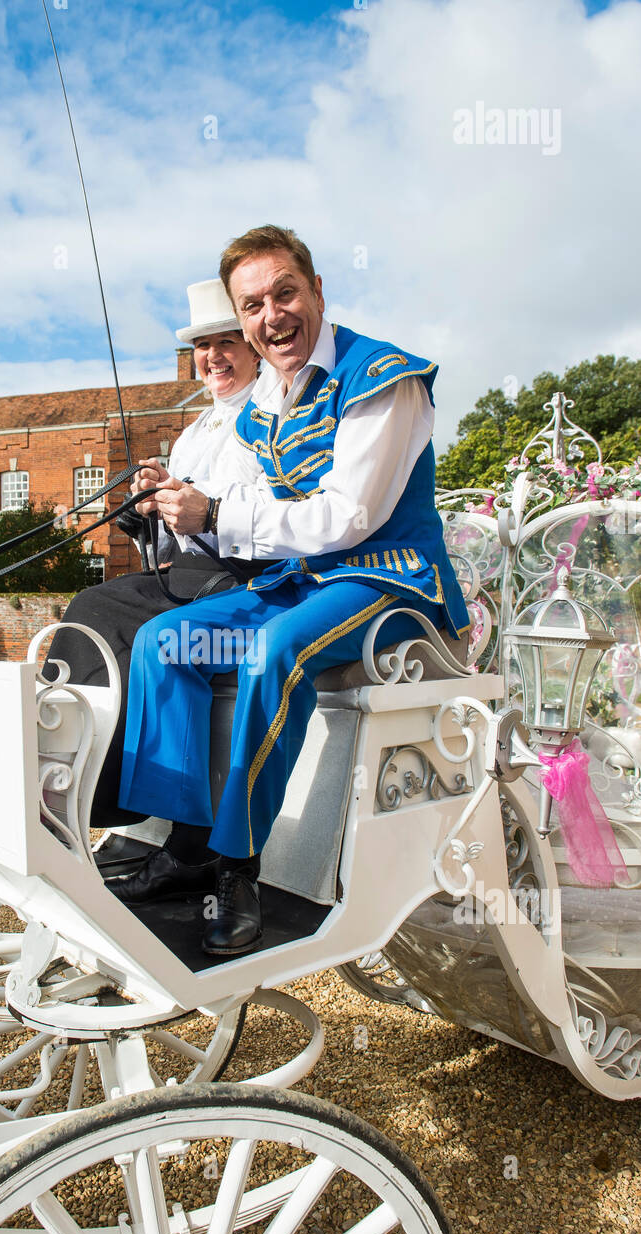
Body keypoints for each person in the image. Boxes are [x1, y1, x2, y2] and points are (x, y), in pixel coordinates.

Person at [111, 225, 471, 957]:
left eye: (284, 293)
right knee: (165, 641)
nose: (270, 315)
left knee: (275, 650)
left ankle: (238, 866)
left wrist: (214, 512)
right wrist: (178, 507)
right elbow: (248, 522)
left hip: (390, 577)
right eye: (252, 305)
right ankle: (185, 846)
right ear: (241, 318)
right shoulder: (259, 406)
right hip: (306, 576)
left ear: (316, 292)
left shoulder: (382, 377)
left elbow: (347, 517)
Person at [43, 278, 268, 825]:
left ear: (252, 347)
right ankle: (78, 778)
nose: (213, 357)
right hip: (187, 571)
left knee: (119, 623)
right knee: (88, 609)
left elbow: (267, 514)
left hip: (242, 576)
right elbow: (174, 540)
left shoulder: (271, 413)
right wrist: (147, 509)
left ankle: (110, 791)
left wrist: (200, 510)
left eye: (226, 343)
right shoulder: (193, 433)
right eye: (202, 347)